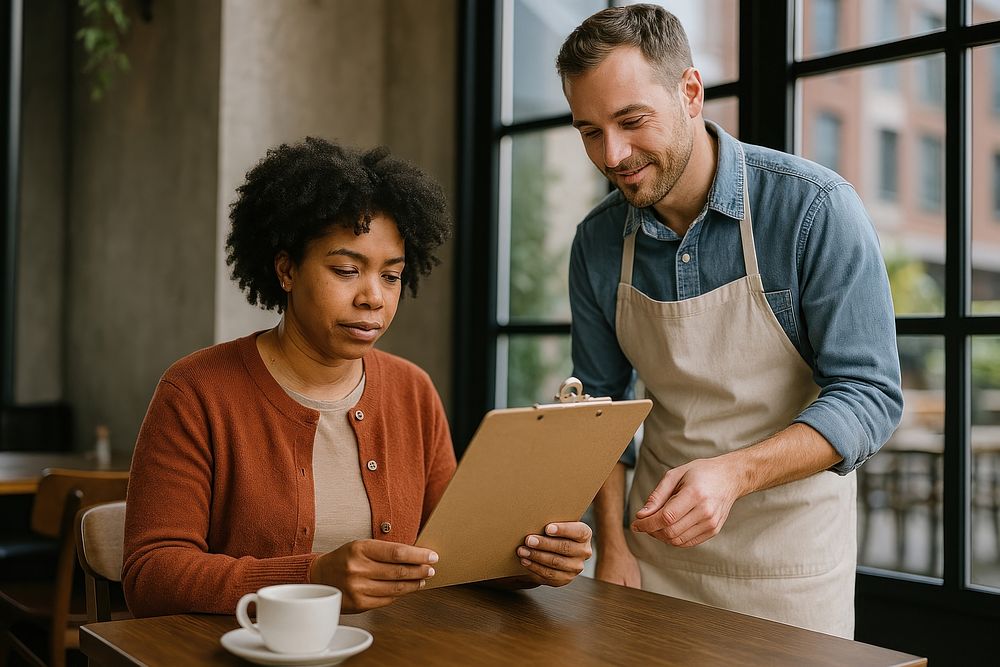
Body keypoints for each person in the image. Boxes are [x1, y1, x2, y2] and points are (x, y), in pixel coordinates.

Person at [123, 137, 593, 618]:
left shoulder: (413, 391)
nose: (374, 297)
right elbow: (151, 573)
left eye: (391, 276)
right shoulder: (197, 390)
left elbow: (448, 552)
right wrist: (311, 578)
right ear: (286, 269)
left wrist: (531, 560)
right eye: (347, 270)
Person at [556, 5, 902, 638]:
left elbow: (871, 396)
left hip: (788, 570)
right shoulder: (597, 242)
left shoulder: (814, 210)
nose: (613, 153)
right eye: (589, 131)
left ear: (690, 92)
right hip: (653, 560)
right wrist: (614, 546)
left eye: (632, 121)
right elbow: (597, 408)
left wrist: (735, 473)